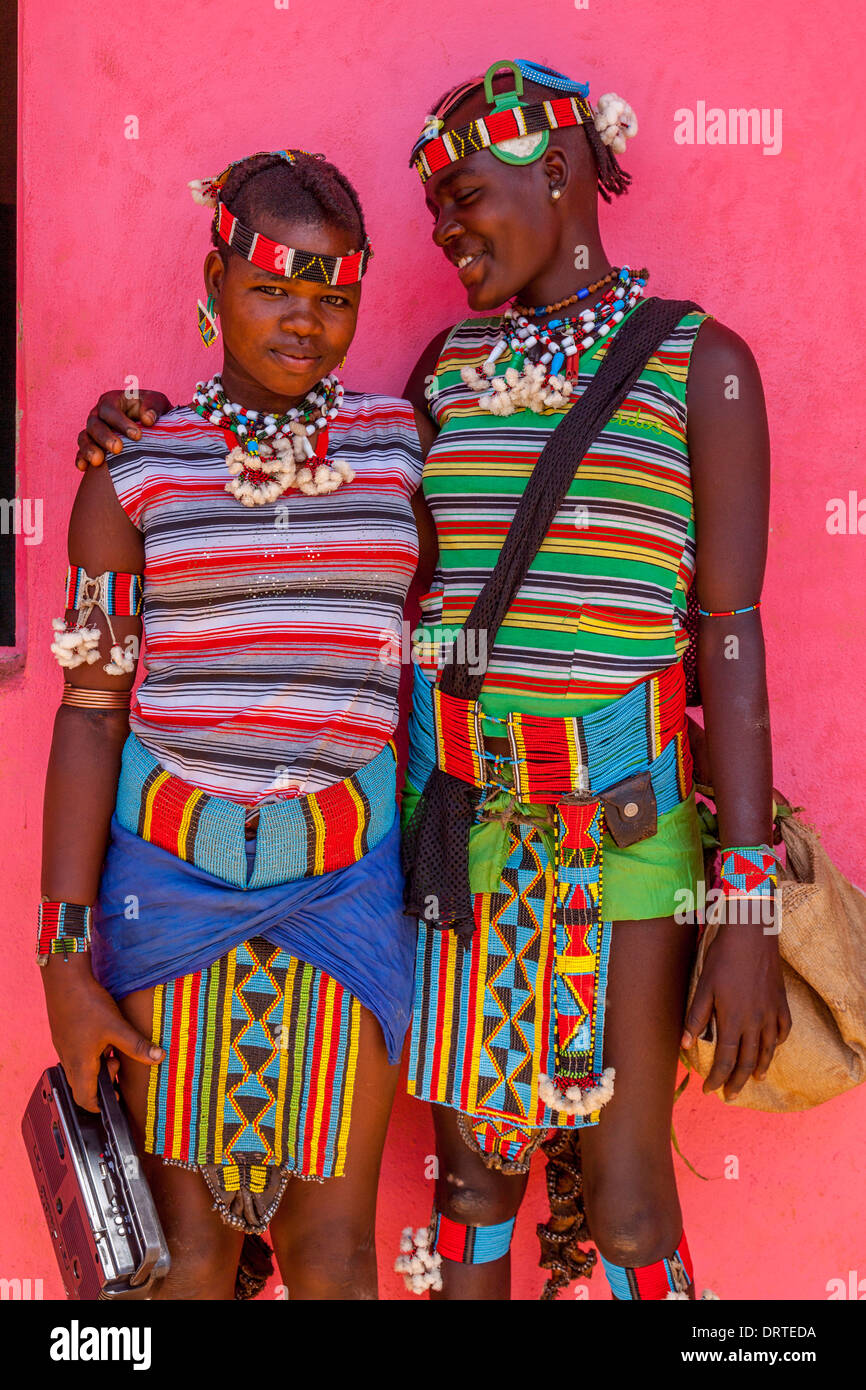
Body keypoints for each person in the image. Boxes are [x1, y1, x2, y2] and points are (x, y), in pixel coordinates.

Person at [393, 59, 788, 1301]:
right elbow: (370, 552)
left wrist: (744, 912)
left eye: (464, 196)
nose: (449, 230)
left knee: (624, 1199)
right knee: (469, 1185)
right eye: (435, 214)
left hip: (630, 826)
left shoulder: (697, 364)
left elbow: (727, 635)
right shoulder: (442, 373)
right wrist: (141, 445)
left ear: (556, 170)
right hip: (461, 826)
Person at [40, 148, 431, 1300]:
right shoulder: (135, 472)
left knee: (334, 1251)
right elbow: (89, 707)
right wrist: (65, 959)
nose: (304, 319)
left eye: (334, 295)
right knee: (186, 1258)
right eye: (273, 288)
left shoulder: (399, 449)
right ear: (214, 281)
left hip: (344, 882)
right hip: (165, 886)